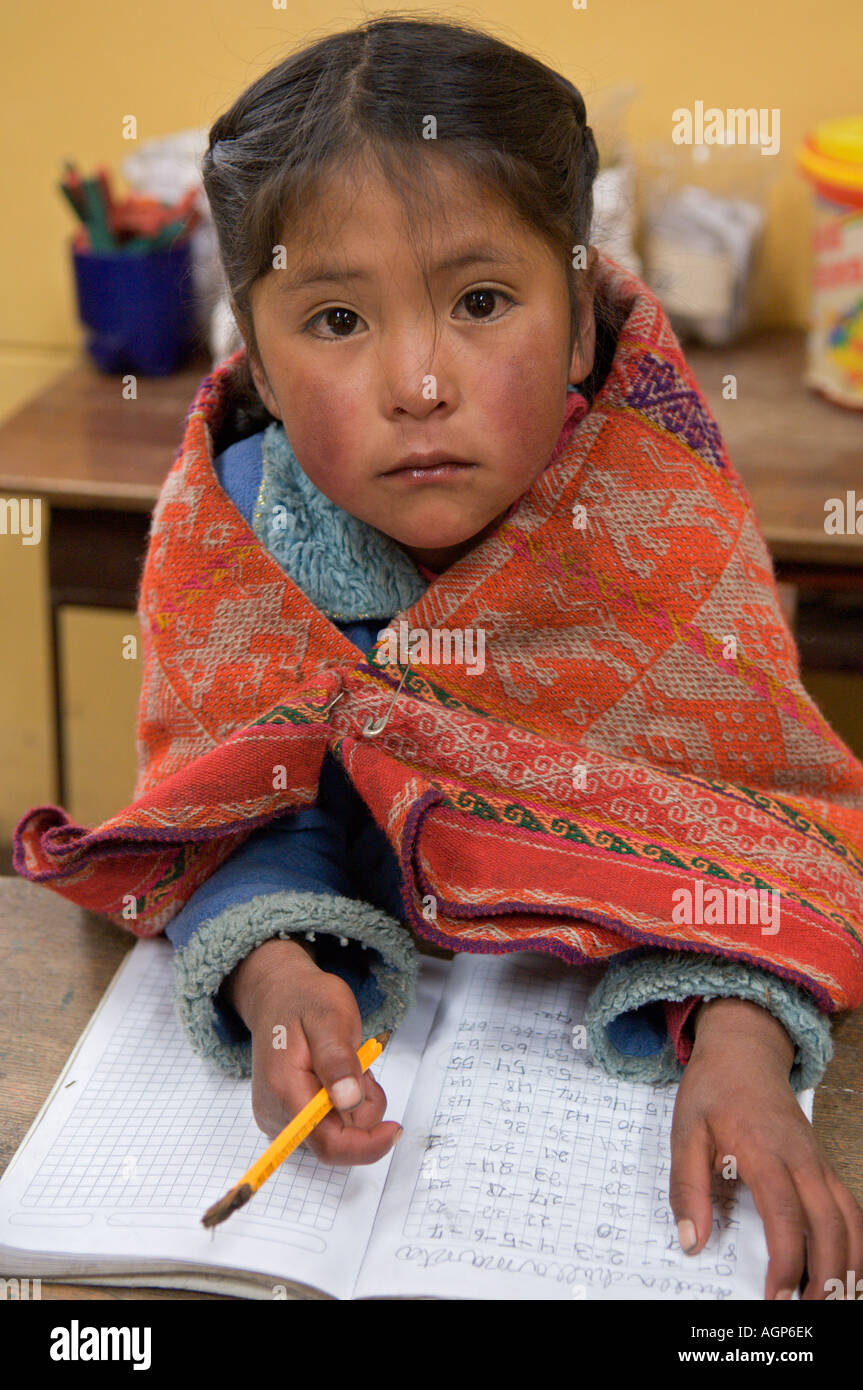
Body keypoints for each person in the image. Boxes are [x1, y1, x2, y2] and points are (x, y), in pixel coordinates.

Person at [32, 15, 863, 1299]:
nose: (417, 380)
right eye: (335, 317)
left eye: (480, 301)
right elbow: (234, 804)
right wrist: (270, 967)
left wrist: (741, 1040)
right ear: (250, 348)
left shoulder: (659, 528)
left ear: (581, 322)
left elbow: (746, 828)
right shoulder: (237, 530)